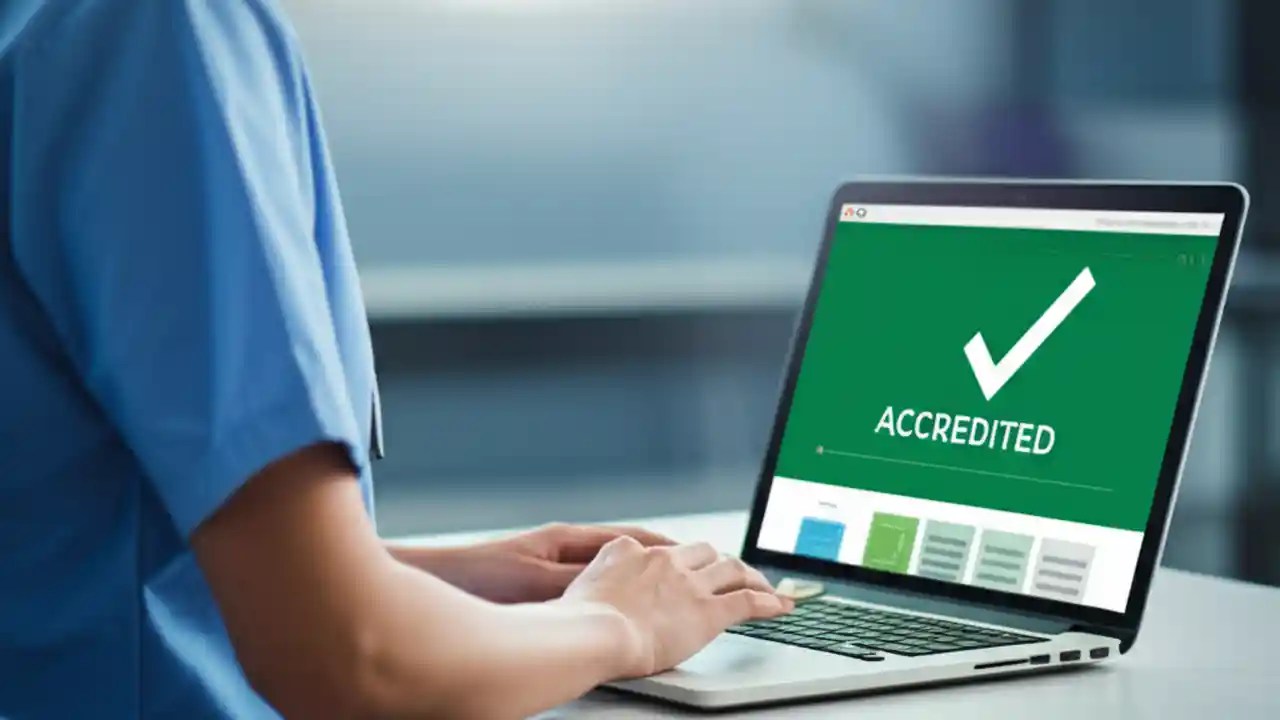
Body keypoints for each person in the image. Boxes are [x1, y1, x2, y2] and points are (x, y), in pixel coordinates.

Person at [0, 1, 791, 717]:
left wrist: (419, 574)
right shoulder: (159, 30)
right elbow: (353, 661)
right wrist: (617, 622)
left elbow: (57, 535)